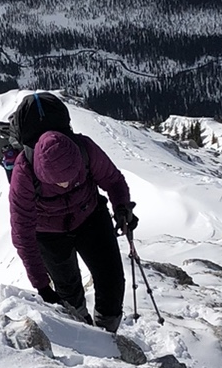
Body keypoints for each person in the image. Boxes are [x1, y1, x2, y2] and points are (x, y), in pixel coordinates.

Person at [8, 128, 138, 332]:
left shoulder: (85, 149)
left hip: (90, 216)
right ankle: (82, 331)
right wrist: (42, 285)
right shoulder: (24, 172)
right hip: (48, 233)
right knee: (68, 290)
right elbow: (22, 232)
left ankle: (107, 334)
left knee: (111, 280)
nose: (66, 184)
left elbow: (113, 180)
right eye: (58, 181)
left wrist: (122, 207)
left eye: (70, 177)